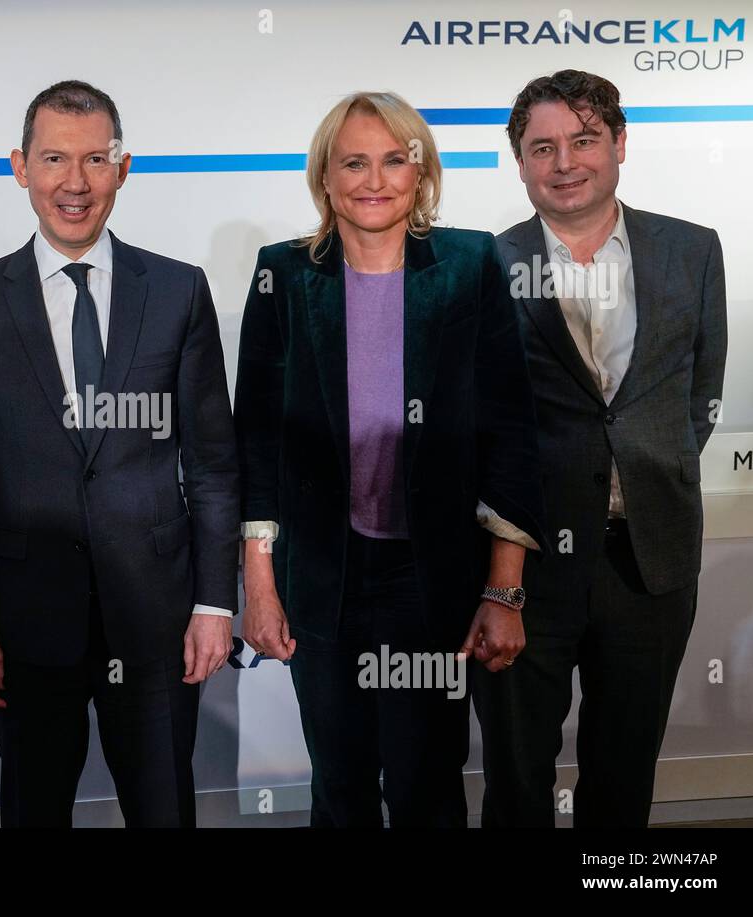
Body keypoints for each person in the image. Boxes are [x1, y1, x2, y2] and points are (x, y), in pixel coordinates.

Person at [0, 80, 240, 827]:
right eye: (54, 159)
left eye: (96, 159)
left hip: (160, 615)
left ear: (123, 168)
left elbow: (213, 464)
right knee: (34, 812)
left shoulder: (177, 290)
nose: (75, 182)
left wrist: (213, 600)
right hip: (26, 619)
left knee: (163, 810)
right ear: (20, 166)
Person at [234, 91, 546, 827]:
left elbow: (510, 430)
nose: (374, 179)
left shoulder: (471, 263)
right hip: (322, 574)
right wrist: (259, 583)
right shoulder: (282, 274)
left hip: (429, 579)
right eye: (354, 162)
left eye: (393, 160)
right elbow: (256, 440)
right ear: (326, 179)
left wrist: (504, 591)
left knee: (427, 786)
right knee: (339, 788)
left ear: (421, 173)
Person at [475, 70, 728, 827]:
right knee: (517, 778)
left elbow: (697, 399)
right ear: (519, 162)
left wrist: (641, 470)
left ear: (619, 143)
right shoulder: (481, 266)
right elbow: (479, 427)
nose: (564, 163)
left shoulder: (693, 250)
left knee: (623, 780)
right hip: (525, 569)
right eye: (541, 147)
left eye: (583, 140)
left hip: (648, 560)